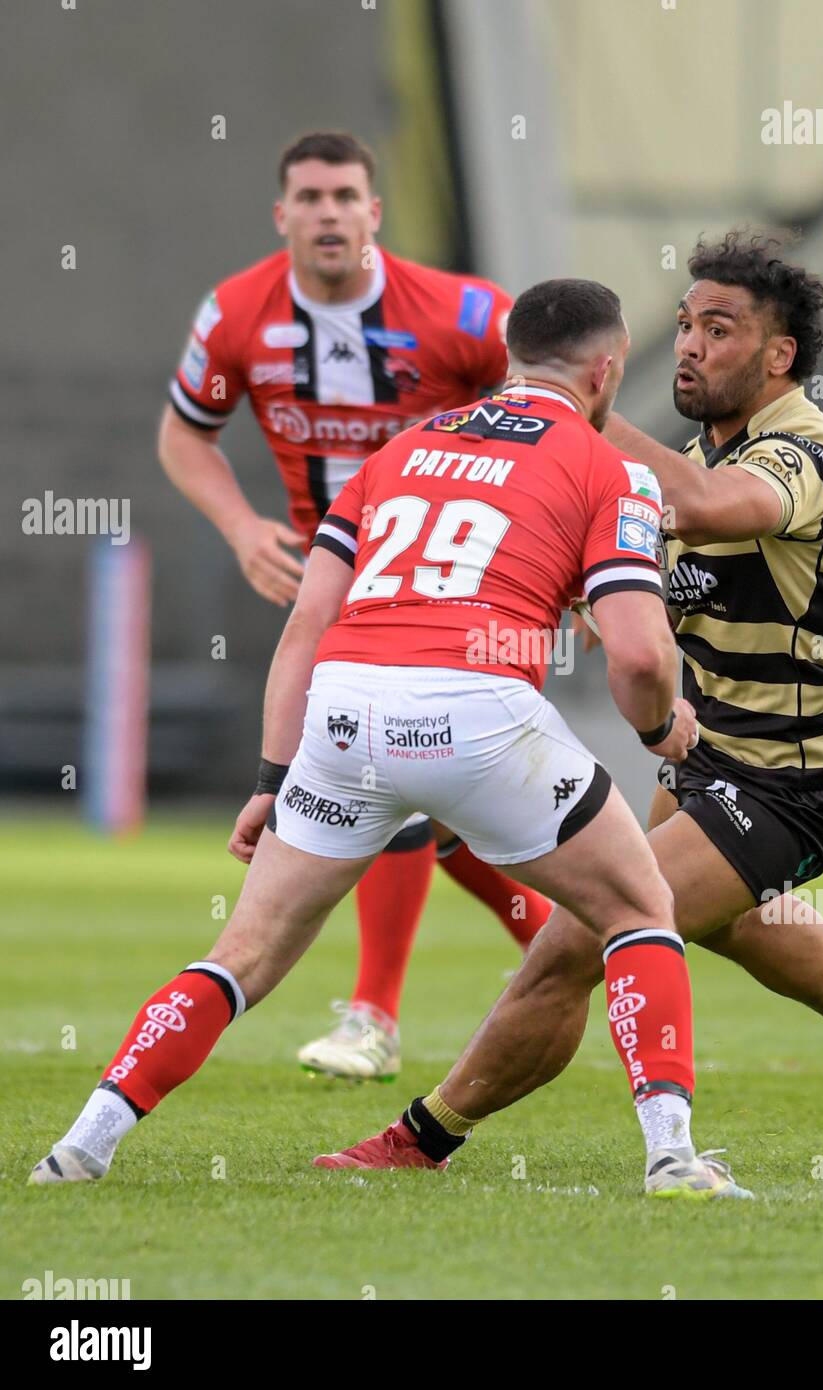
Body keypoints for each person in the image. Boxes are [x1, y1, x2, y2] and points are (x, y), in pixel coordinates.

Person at [31, 278, 749, 1201]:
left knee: (240, 955)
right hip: (477, 715)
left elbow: (306, 626)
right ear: (606, 372)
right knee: (639, 911)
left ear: (507, 361)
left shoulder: (399, 448)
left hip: (342, 713)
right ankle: (672, 1158)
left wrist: (270, 778)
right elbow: (642, 655)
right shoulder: (614, 470)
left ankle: (82, 1144)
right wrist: (662, 729)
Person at [326, 233, 823, 1179]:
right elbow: (623, 589)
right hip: (705, 754)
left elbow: (698, 502)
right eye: (686, 325)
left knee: (583, 940)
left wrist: (568, 402)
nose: (691, 346)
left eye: (718, 329)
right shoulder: (702, 447)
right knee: (729, 914)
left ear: (779, 356)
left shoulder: (803, 455)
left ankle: (421, 1139)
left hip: (792, 776)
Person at [159, 130, 551, 1081]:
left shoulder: (463, 314)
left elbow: (557, 429)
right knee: (438, 806)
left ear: (375, 212)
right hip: (340, 592)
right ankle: (579, 948)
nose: (328, 212)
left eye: (345, 195)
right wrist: (244, 528)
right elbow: (184, 437)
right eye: (310, 196)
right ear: (281, 215)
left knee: (399, 771)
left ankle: (376, 1014)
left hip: (460, 584)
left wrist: (563, 569)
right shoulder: (237, 314)